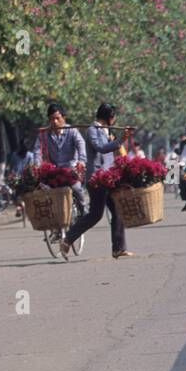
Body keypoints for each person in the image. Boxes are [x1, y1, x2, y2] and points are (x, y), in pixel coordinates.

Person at [61, 102, 133, 258]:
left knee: (117, 211)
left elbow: (113, 150)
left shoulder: (107, 130)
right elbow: (101, 147)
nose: (114, 120)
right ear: (109, 117)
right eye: (113, 117)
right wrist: (121, 139)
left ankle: (118, 248)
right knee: (95, 215)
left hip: (109, 176)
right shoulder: (92, 130)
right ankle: (68, 239)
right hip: (97, 179)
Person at [31, 103, 88, 213]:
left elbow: (81, 145)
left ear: (64, 118)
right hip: (54, 171)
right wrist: (37, 165)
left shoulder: (72, 131)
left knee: (76, 188)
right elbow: (37, 150)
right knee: (45, 191)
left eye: (57, 118)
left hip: (71, 170)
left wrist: (81, 161)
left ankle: (83, 210)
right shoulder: (44, 133)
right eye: (52, 119)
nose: (55, 122)